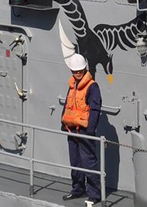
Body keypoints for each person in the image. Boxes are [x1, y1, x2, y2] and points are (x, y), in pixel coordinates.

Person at [61, 53, 102, 205]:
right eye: (75, 71)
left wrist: (90, 131)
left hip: (85, 131)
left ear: (85, 69)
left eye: (80, 70)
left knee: (88, 162)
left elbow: (95, 109)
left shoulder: (92, 87)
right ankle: (77, 189)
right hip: (71, 129)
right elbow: (68, 104)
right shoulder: (72, 85)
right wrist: (63, 123)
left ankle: (94, 194)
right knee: (75, 162)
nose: (77, 73)